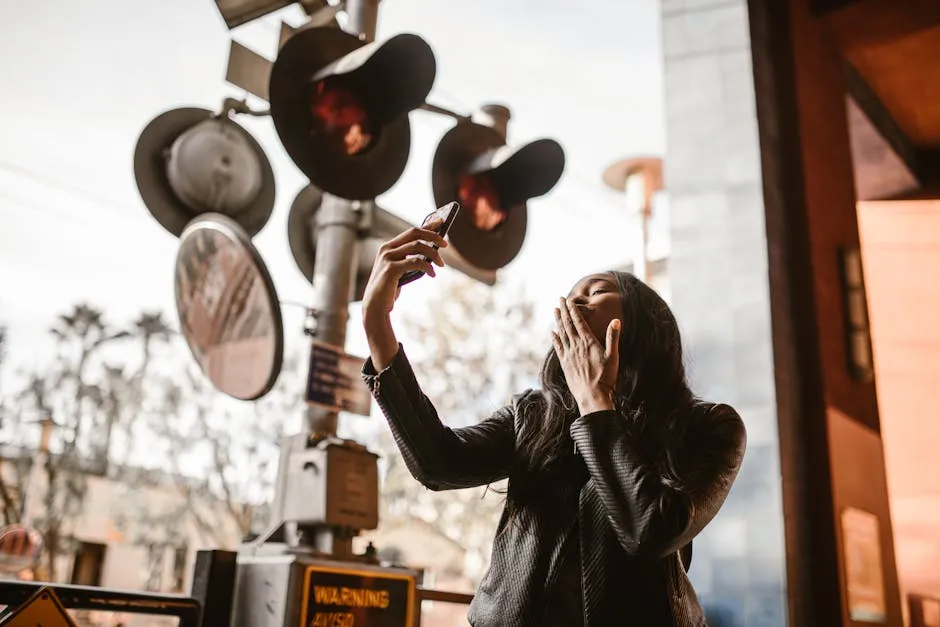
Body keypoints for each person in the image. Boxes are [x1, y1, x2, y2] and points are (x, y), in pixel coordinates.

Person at [360, 220, 747, 626]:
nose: (573, 304)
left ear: (644, 321)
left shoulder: (709, 427)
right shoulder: (533, 415)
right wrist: (376, 321)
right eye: (570, 297)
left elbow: (651, 529)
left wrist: (596, 403)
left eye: (595, 291)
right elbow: (438, 463)